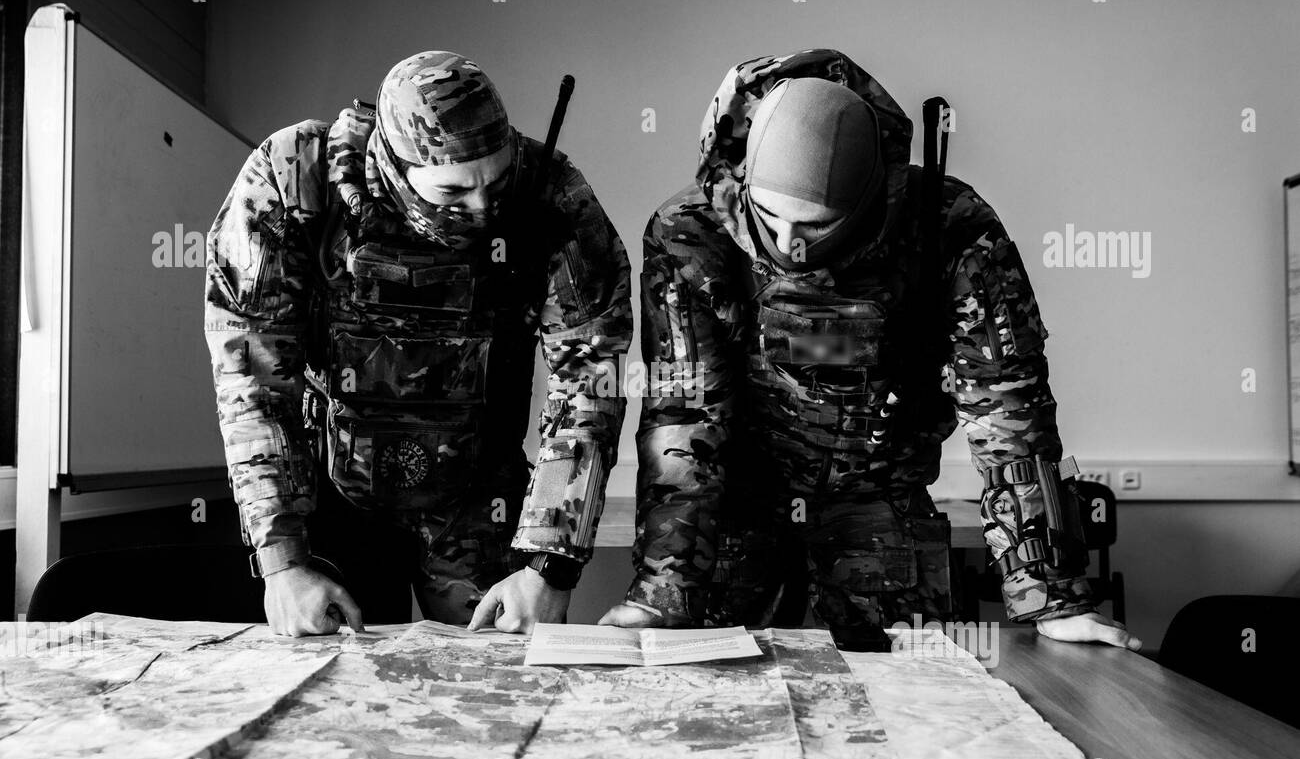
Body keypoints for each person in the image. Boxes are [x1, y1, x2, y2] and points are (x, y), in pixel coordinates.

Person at [600, 48, 1141, 651]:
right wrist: (660, 590)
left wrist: (1052, 593)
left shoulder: (949, 226)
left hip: (883, 522)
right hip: (732, 525)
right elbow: (686, 414)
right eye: (772, 218)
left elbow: (1008, 409)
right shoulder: (690, 233)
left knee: (913, 723)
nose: (789, 244)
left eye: (815, 226)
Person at [204, 51, 631, 637]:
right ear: (396, 167)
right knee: (340, 698)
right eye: (455, 192)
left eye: (496, 181)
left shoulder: (549, 191)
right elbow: (253, 377)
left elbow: (587, 382)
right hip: (333, 497)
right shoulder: (296, 178)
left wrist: (549, 566)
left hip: (482, 501)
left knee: (496, 690)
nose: (483, 208)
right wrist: (282, 560)